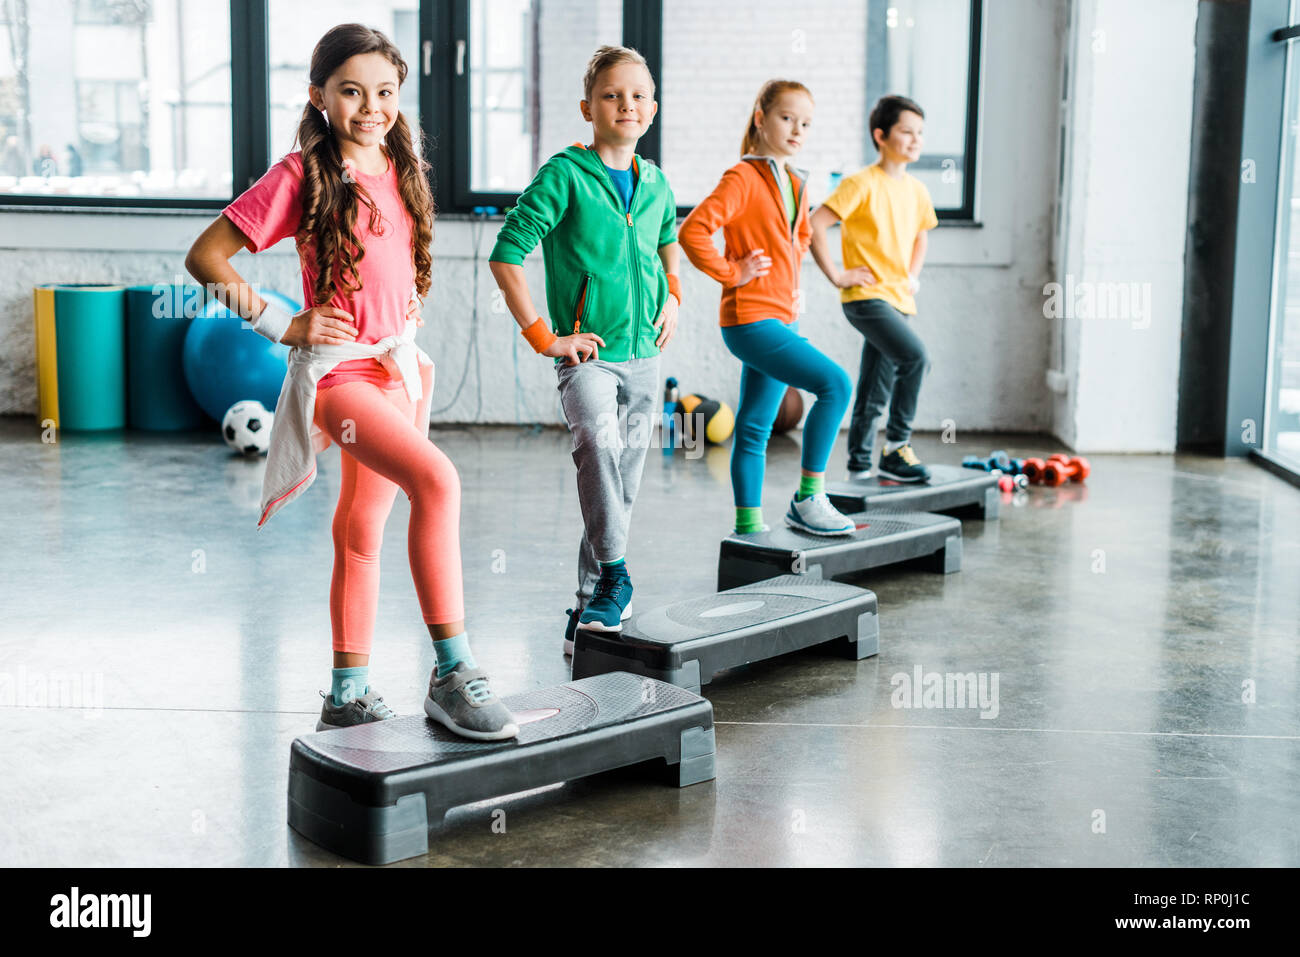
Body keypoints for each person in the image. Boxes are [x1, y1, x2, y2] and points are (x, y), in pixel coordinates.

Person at [185, 23, 517, 740]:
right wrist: (282, 321)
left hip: (398, 368)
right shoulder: (300, 174)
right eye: (351, 91)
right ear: (319, 96)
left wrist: (403, 301)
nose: (371, 106)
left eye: (385, 91)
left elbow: (388, 260)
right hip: (339, 378)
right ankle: (453, 670)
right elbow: (207, 256)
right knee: (439, 481)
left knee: (363, 528)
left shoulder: (401, 164)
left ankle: (347, 691)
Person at [488, 45, 681, 655]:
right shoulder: (565, 175)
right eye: (612, 95)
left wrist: (674, 292)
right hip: (587, 356)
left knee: (618, 491)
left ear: (652, 108)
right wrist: (545, 336)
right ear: (587, 108)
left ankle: (587, 606)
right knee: (596, 442)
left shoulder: (655, 182)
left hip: (646, 352)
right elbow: (507, 253)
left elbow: (668, 237)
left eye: (639, 95)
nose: (628, 104)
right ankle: (617, 579)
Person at [678, 79, 854, 536]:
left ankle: (749, 528)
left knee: (755, 426)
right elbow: (693, 232)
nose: (797, 129)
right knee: (835, 384)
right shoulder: (742, 178)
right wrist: (731, 273)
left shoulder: (796, 181)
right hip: (750, 320)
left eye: (806, 123)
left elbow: (796, 246)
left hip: (782, 318)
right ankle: (809, 497)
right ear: (761, 119)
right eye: (787, 118)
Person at [809, 94, 938, 483]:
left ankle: (860, 466)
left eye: (920, 133)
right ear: (881, 136)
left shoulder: (916, 190)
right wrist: (836, 275)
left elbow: (921, 236)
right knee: (916, 359)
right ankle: (897, 446)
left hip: (897, 298)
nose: (915, 140)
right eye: (906, 132)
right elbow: (815, 224)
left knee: (874, 385)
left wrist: (912, 276)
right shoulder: (860, 184)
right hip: (866, 299)